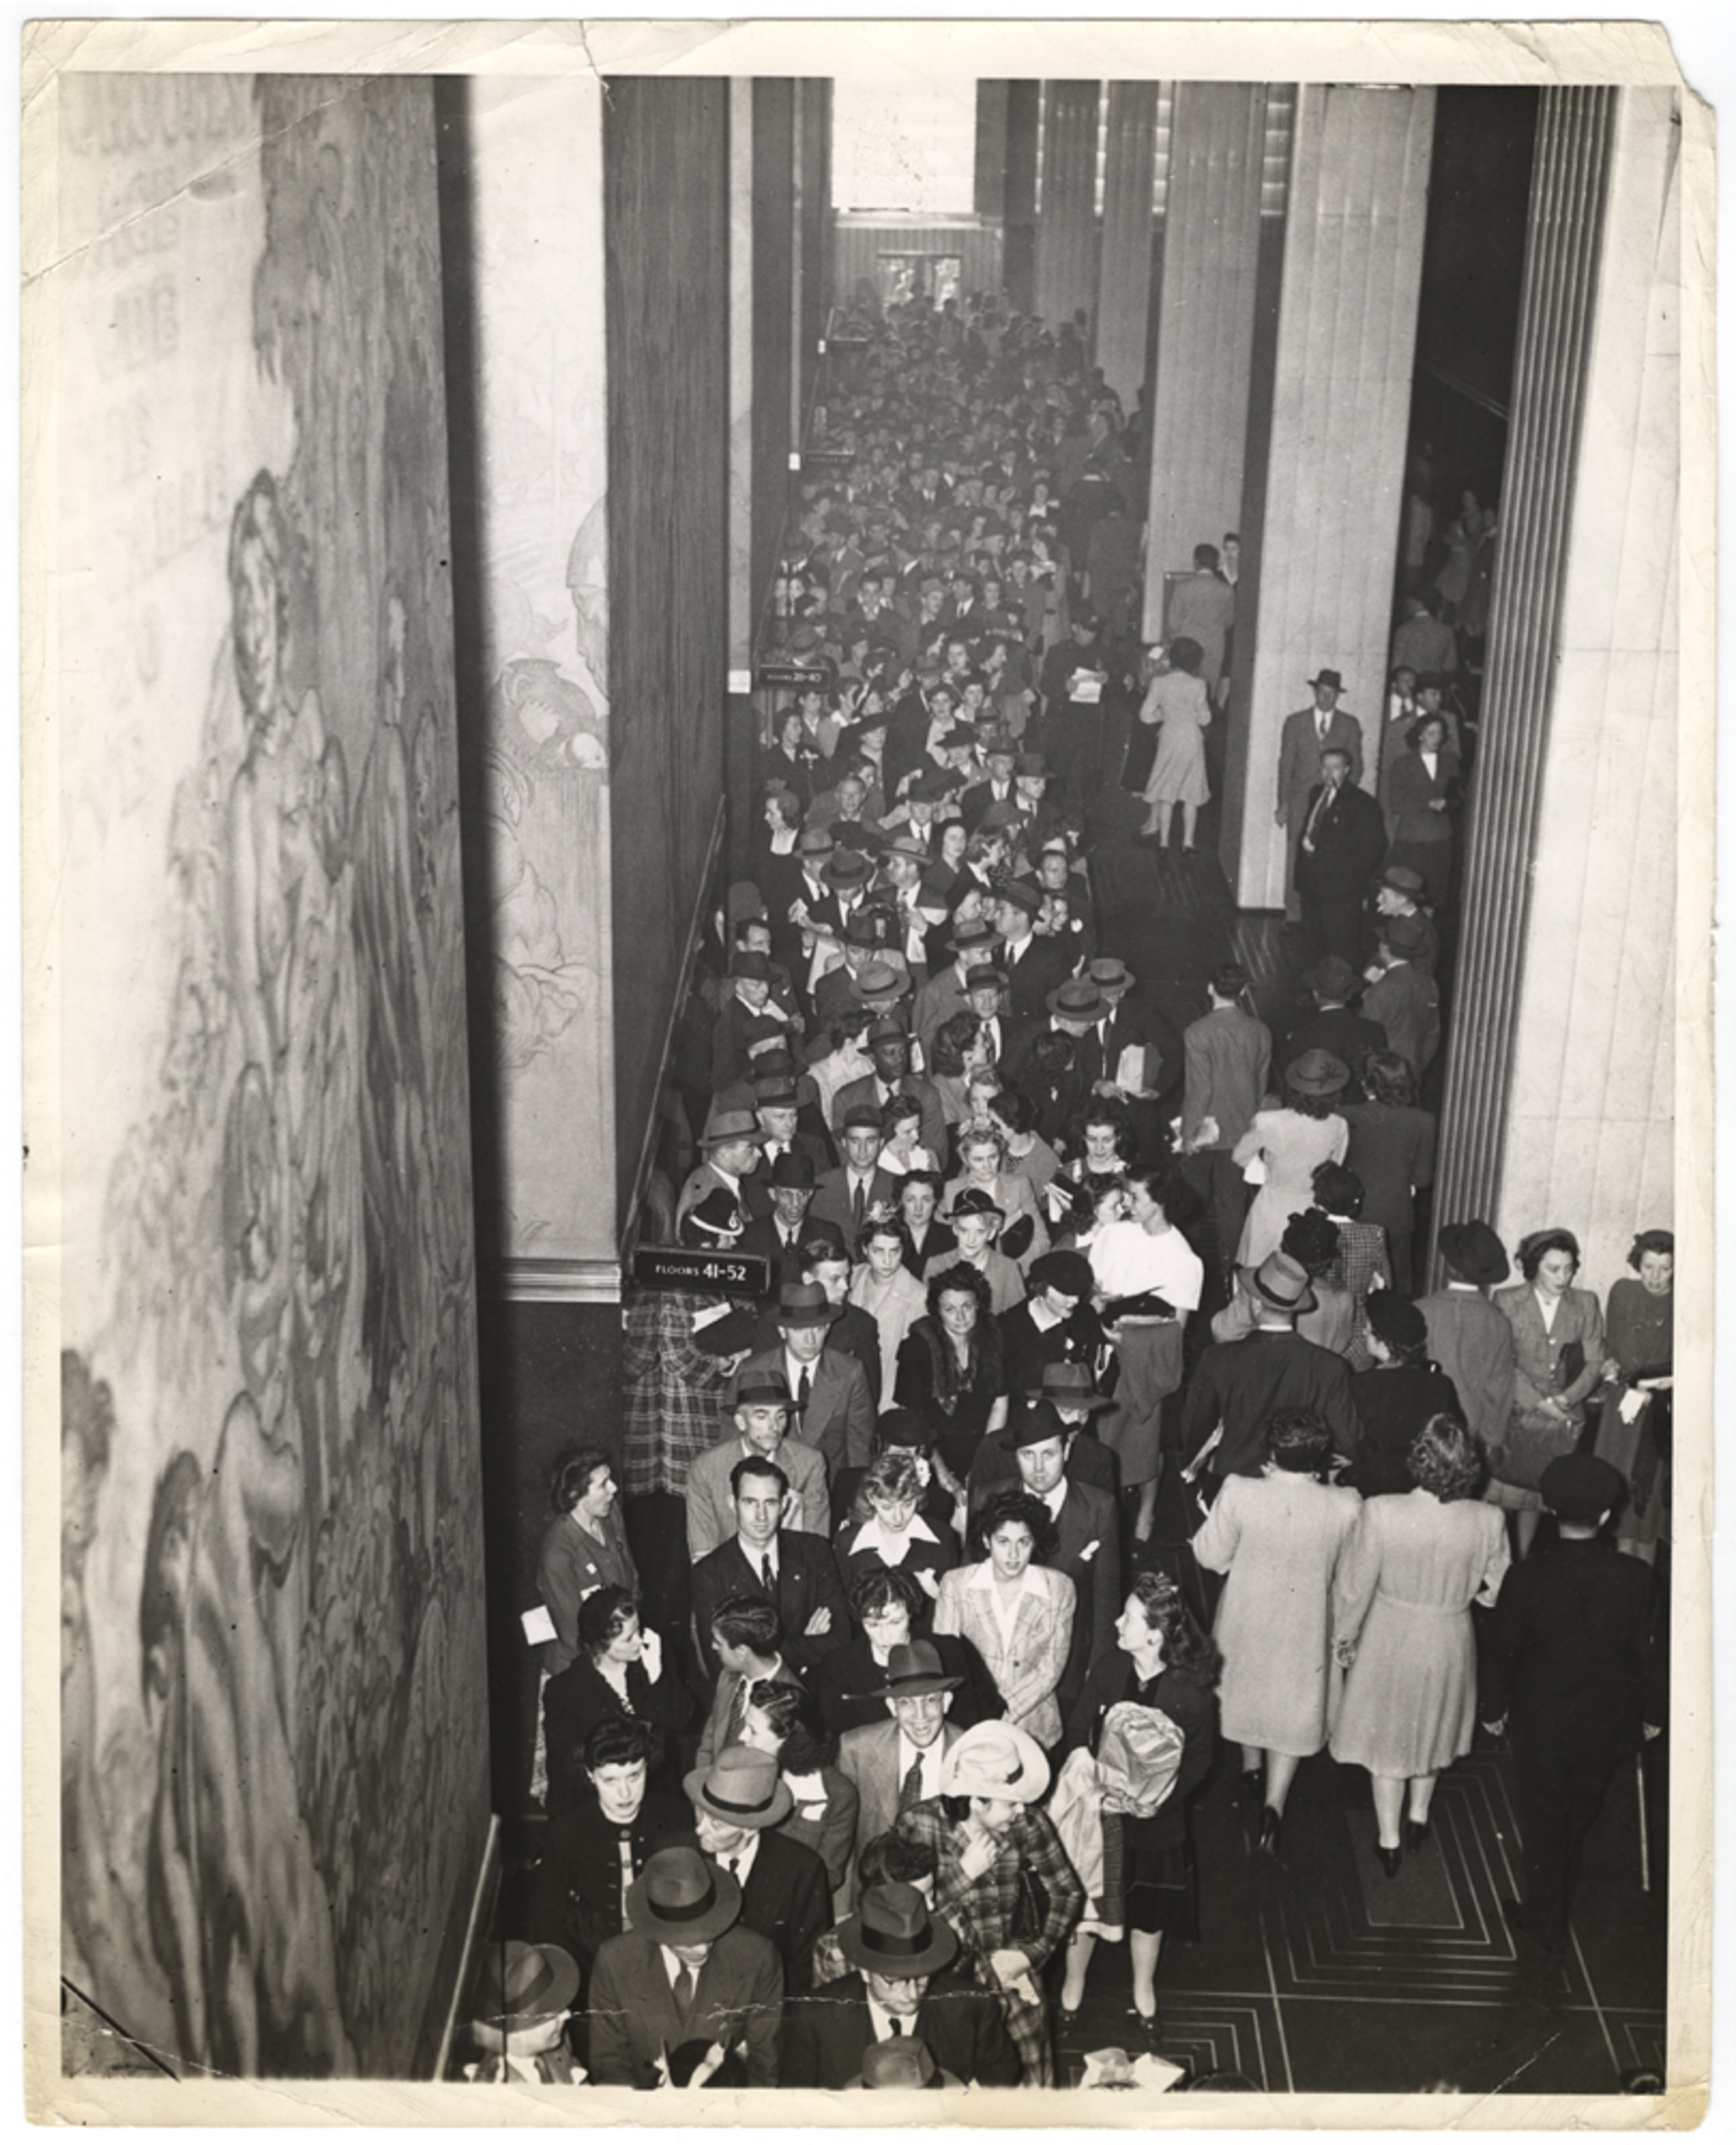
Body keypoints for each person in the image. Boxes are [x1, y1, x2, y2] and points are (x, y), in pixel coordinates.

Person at [1480, 1454, 1665, 1954]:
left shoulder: (1527, 1577)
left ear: (1548, 1508)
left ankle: (1543, 1918)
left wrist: (1494, 1711)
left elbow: (1501, 1653)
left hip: (1541, 1725)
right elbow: (1648, 1655)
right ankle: (1561, 1876)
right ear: (1607, 1515)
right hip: (1608, 1722)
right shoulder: (1635, 1576)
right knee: (1582, 1809)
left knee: (1543, 1822)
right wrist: (1652, 1714)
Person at [1328, 1415, 1510, 1876]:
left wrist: (1343, 1639)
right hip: (1450, 1635)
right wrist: (1469, 1596)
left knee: (1388, 1740)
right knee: (1436, 1728)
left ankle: (1388, 1840)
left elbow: (1354, 1587)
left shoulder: (1383, 1511)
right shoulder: (1489, 1519)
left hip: (1391, 1632)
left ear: (1418, 1460)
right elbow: (1499, 1588)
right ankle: (1419, 1818)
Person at [1193, 1410, 1360, 1858]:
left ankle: (1249, 1768)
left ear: (1271, 1453)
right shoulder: (1346, 1505)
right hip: (1307, 1623)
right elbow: (1351, 1578)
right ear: (1320, 1458)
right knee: (1293, 1709)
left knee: (1249, 1692)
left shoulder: (1240, 1491)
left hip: (1247, 1617)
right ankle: (1273, 1807)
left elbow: (1209, 1556)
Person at [1057, 1574, 1220, 2029]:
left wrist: (1159, 1802)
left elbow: (1200, 1761)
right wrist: (1092, 1783)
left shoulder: (1191, 1694)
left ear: (1155, 1634)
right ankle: (1074, 1981)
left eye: (1126, 1617)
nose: (1115, 1622)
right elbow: (1077, 1728)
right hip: (1099, 1811)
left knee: (1149, 1912)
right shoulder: (1109, 1668)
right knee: (1087, 1901)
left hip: (1155, 1822)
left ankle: (1142, 1984)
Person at [894, 1720, 1086, 2085]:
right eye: (1010, 1803)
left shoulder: (1026, 1824)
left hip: (1012, 1974)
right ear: (977, 1800)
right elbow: (902, 1911)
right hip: (942, 1983)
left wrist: (1033, 1954)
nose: (1021, 1811)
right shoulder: (918, 1826)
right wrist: (962, 1874)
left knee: (1032, 2087)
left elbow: (1067, 1891)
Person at [781, 1881, 1022, 2088]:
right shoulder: (815, 2017)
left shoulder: (969, 2006)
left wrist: (967, 2100)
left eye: (921, 1978)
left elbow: (1002, 2066)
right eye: (893, 1981)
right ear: (865, 1972)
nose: (910, 1994)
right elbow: (795, 2100)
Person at [585, 1845, 785, 2087]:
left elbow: (765, 2065)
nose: (703, 1950)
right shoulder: (616, 1961)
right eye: (686, 1941)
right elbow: (609, 2064)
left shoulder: (757, 1957)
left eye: (710, 1932)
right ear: (657, 1930)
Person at [1087, 1163, 1204, 1544]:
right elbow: (1091, 1285)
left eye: (1135, 1197)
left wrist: (1129, 1330)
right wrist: (1099, 1300)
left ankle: (1147, 1510)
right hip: (1104, 1346)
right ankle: (1108, 1510)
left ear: (1161, 1203)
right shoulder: (1115, 1234)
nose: (1126, 1204)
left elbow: (1176, 1330)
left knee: (1145, 1442)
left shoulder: (1185, 1260)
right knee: (1105, 1438)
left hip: (1145, 1361)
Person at [523, 1717, 695, 1975]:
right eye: (610, 1781)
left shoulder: (677, 1818)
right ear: (590, 1776)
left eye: (634, 1776)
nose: (625, 1794)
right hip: (590, 1961)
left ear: (648, 1766)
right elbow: (547, 1918)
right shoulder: (567, 1830)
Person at [1179, 1250, 1360, 1487]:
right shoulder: (1330, 1366)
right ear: (1295, 1307)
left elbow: (1193, 1426)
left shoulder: (1218, 1358)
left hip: (1232, 1482)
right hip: (1300, 1488)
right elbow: (1348, 1440)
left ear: (1255, 1304)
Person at [1490, 1230, 1607, 1560]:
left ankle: (1524, 1561)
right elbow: (1501, 1361)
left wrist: (1567, 1400)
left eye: (1569, 1268)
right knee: (1504, 1498)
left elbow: (1596, 1360)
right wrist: (1541, 1402)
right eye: (1553, 1269)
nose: (1563, 1277)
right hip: (1518, 1414)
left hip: (1563, 1422)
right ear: (1532, 1267)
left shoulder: (1585, 1303)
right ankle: (1500, 1567)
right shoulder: (1507, 1300)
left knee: (1536, 1501)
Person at [932, 1489, 1075, 1747]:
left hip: (1035, 1728)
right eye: (1003, 1541)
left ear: (1035, 1542)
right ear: (987, 1541)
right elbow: (948, 1661)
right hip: (970, 1724)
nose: (1013, 1554)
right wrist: (982, 1716)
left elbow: (1051, 1669)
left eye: (1023, 1542)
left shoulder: (1059, 1588)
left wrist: (1002, 1711)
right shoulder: (956, 1585)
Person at [689, 1454, 851, 1678]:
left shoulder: (815, 1552)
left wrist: (757, 1656)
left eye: (770, 1503)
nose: (761, 1516)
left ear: (784, 1505)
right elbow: (722, 1666)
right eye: (750, 1502)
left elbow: (841, 1638)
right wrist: (805, 1645)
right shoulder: (710, 1572)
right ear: (732, 1504)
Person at [541, 1586, 693, 1810]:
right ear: (599, 1645)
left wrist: (657, 1678)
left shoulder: (652, 1659)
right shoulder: (564, 1691)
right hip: (599, 1804)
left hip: (658, 1796)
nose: (639, 1642)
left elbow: (683, 1718)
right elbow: (565, 1772)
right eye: (628, 1639)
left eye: (639, 1630)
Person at [834, 1640, 966, 1888]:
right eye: (906, 1702)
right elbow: (843, 1839)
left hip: (946, 1889)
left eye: (930, 1700)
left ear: (947, 1702)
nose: (920, 1716)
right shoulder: (856, 1749)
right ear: (891, 1706)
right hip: (877, 1892)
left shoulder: (969, 1752)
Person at [814, 1565, 1001, 1737]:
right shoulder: (838, 1666)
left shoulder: (947, 1652)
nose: (885, 1637)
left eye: (895, 1622)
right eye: (873, 1625)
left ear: (911, 1613)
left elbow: (968, 1726)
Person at [1179, 964, 1272, 1273]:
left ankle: (1188, 1262)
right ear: (1243, 991)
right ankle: (1232, 1268)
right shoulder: (1260, 1031)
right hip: (1242, 1129)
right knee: (1232, 1204)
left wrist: (1188, 1135)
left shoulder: (1197, 1032)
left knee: (1192, 1199)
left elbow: (1200, 1089)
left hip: (1205, 1130)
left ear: (1210, 988)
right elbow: (1261, 1084)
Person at [734, 1279, 875, 1483]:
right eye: (799, 1330)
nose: (810, 1340)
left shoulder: (850, 1372)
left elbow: (858, 1449)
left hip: (828, 1487)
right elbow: (732, 1441)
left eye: (817, 1329)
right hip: (766, 1488)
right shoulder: (752, 1370)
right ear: (782, 1330)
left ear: (828, 1327)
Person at [1592, 1230, 1674, 1564]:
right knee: (1619, 1494)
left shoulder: (1684, 1302)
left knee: (1649, 1500)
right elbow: (1611, 1347)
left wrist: (1655, 1389)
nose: (1654, 1277)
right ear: (1637, 1263)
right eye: (1648, 1266)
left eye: (1665, 1268)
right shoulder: (1622, 1292)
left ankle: (1642, 1589)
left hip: (1657, 1414)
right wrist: (1609, 1366)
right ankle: (1622, 1579)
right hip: (1621, 1409)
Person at [687, 1372, 829, 1560]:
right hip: (728, 1579)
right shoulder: (706, 1468)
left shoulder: (809, 1463)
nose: (775, 1427)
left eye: (781, 1416)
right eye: (762, 1416)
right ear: (741, 1422)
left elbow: (816, 1551)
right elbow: (702, 1554)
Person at [1231, 1050, 1351, 1269]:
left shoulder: (1268, 1121)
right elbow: (1336, 1167)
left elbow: (1239, 1156)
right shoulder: (1339, 1125)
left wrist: (1266, 1171)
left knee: (1259, 1275)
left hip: (1271, 1206)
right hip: (1313, 1212)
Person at [895, 1265, 1012, 1481]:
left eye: (967, 1306)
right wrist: (940, 1471)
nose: (960, 1316)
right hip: (930, 1448)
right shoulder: (917, 1348)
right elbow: (912, 1417)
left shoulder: (993, 1338)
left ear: (978, 1304)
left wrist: (983, 1462)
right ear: (937, 1311)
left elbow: (1000, 1404)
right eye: (949, 1309)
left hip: (983, 1443)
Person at [1344, 1294, 1463, 1499]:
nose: (1364, 1332)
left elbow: (1350, 1440)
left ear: (1383, 1342)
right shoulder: (1441, 1384)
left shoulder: (1361, 1385)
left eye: (1369, 1328)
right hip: (1423, 1489)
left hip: (1373, 1488)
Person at [1417, 1219, 1519, 1458]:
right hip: (1468, 1434)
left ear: (1448, 1266)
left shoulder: (1421, 1310)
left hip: (1422, 1424)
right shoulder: (1498, 1323)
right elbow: (1499, 1387)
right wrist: (1493, 1438)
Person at [1340, 1050, 1437, 1292]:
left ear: (1367, 1084)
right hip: (1397, 1214)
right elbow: (1423, 1179)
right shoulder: (1424, 1120)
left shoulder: (1346, 1115)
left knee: (1349, 1284)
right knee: (1395, 1285)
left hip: (1352, 1214)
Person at [536, 1447, 638, 1677]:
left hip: (620, 1653)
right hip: (579, 1669)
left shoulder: (611, 1515)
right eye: (603, 1485)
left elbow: (632, 1578)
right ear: (575, 1495)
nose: (614, 1489)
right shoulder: (558, 1553)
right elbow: (574, 1635)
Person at [1275, 669, 1365, 927]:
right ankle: (1294, 913)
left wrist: (1343, 797)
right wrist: (1283, 803)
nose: (1326, 697)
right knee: (1297, 855)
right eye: (1322, 692)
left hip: (1333, 801)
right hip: (1301, 800)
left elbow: (1356, 765)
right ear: (1315, 692)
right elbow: (1285, 765)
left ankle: (1321, 915)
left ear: (1338, 695)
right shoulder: (1295, 722)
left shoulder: (1349, 724)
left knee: (1329, 855)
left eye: (1332, 693)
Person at [1293, 746, 1388, 968]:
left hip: (1342, 889)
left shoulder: (1362, 803)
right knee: (1313, 942)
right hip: (1312, 884)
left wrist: (1349, 879)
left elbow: (1375, 847)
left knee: (1342, 946)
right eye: (1324, 767)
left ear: (1347, 770)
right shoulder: (1317, 793)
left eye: (1335, 767)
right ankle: (1317, 993)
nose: (1329, 773)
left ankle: (1343, 995)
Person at [834, 1446, 958, 1599]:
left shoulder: (942, 1537)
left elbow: (956, 1611)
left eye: (907, 1504)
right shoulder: (848, 1542)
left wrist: (937, 1593)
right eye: (887, 1507)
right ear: (871, 1499)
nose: (898, 1517)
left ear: (917, 1498)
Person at [462, 1938, 584, 2082]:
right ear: (515, 2034)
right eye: (549, 2014)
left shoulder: (560, 2053)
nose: (567, 2014)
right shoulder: (494, 2083)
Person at [1137, 637, 1213, 852]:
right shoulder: (1199, 684)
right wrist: (1192, 717)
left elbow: (1145, 715)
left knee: (1165, 790)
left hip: (1169, 738)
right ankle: (1188, 842)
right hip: (1192, 740)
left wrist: (1164, 715)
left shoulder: (1159, 683)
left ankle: (1163, 842)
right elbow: (1205, 718)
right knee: (1191, 792)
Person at [1381, 710, 1460, 909]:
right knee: (1408, 897)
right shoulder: (1403, 764)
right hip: (1411, 840)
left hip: (1440, 839)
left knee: (1434, 897)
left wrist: (1447, 804)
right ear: (1420, 735)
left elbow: (1457, 796)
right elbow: (1395, 803)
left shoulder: (1450, 762)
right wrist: (1427, 804)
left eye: (1439, 733)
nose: (1436, 738)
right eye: (1431, 733)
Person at [1278, 956, 1387, 1097]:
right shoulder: (1374, 1031)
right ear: (1348, 996)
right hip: (1364, 1113)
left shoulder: (1302, 1035)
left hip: (1323, 1112)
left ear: (1315, 994)